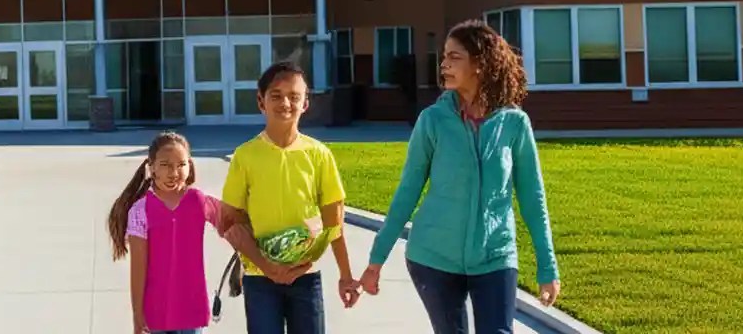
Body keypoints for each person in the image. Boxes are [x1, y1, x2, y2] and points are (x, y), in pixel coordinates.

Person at [358, 19, 561, 334]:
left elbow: (533, 198)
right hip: (434, 258)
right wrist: (376, 260)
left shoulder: (514, 124)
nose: (444, 64)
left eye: (455, 57)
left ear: (480, 63)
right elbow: (407, 192)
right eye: (444, 57)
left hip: (495, 256)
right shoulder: (433, 121)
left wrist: (547, 267)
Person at [218, 60, 360, 334]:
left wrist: (345, 275)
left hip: (305, 278)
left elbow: (334, 221)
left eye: (294, 97)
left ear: (306, 103)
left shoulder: (319, 155)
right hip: (259, 278)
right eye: (276, 96)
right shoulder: (245, 156)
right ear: (261, 102)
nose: (285, 103)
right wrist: (266, 266)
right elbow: (231, 221)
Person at [108, 131, 224, 334]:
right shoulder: (140, 210)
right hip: (154, 315)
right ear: (151, 167)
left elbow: (234, 224)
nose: (173, 173)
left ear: (190, 166)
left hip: (192, 314)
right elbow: (138, 270)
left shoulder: (199, 201)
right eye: (165, 165)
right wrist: (137, 315)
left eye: (181, 165)